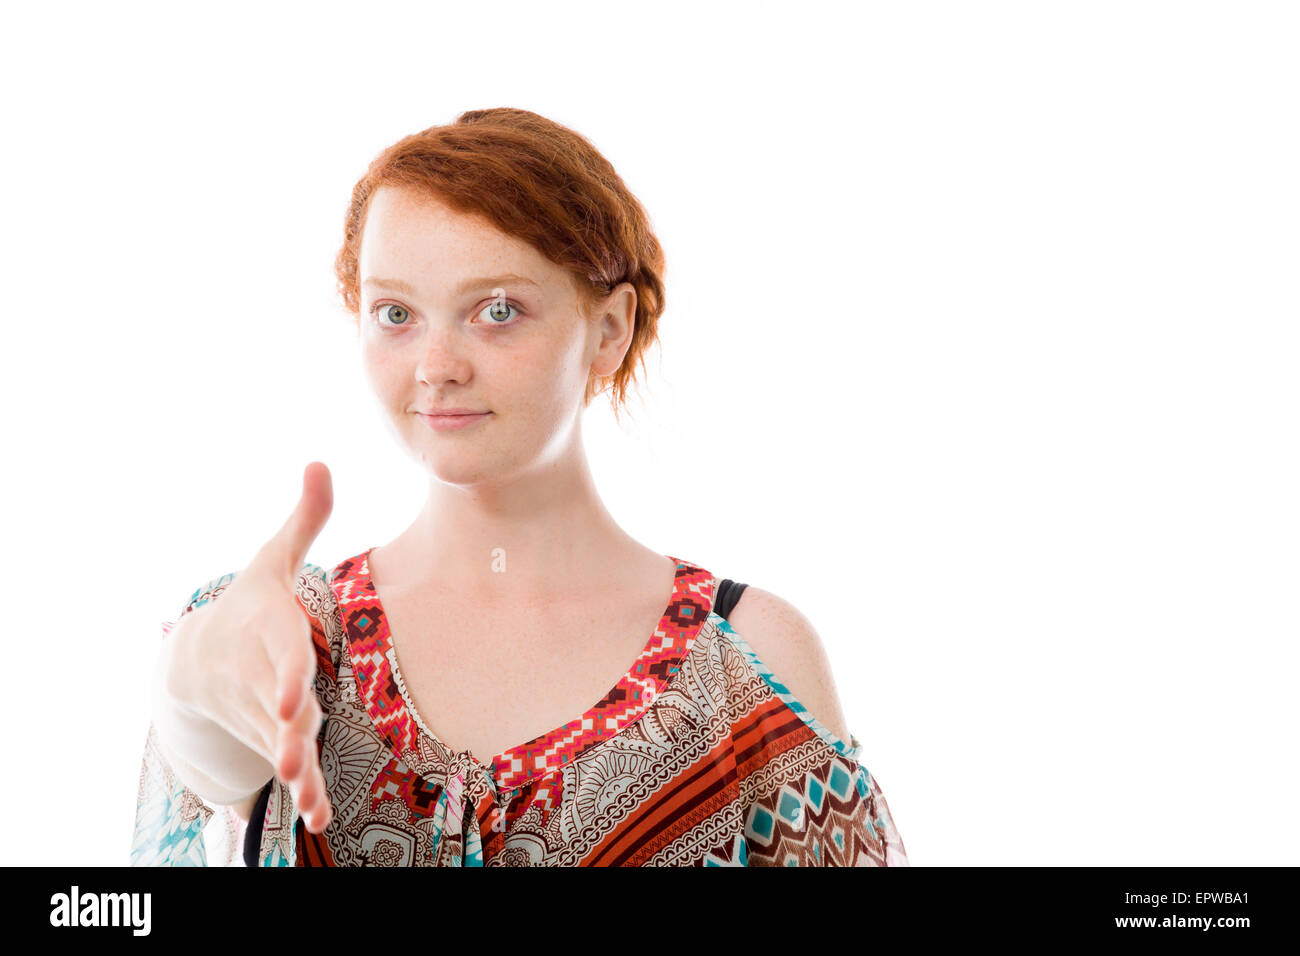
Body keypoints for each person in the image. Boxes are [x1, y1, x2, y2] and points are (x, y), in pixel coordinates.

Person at [131, 107, 909, 867]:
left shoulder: (745, 661)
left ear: (610, 329)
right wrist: (189, 684)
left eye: (497, 311)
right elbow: (212, 754)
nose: (437, 365)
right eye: (395, 313)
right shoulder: (285, 635)